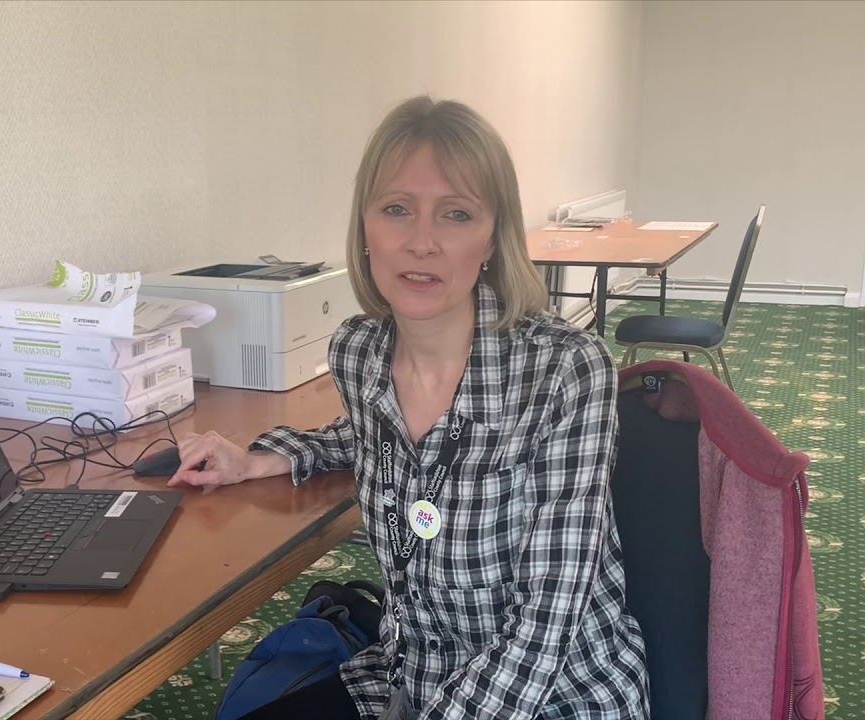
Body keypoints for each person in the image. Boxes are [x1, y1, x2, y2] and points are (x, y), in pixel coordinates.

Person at [168, 96, 650, 719]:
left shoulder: (564, 369)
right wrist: (261, 459)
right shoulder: (359, 352)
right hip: (412, 674)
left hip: (551, 694)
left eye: (456, 214)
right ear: (366, 229)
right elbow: (368, 436)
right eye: (397, 209)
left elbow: (547, 621)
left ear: (492, 237)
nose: (422, 242)